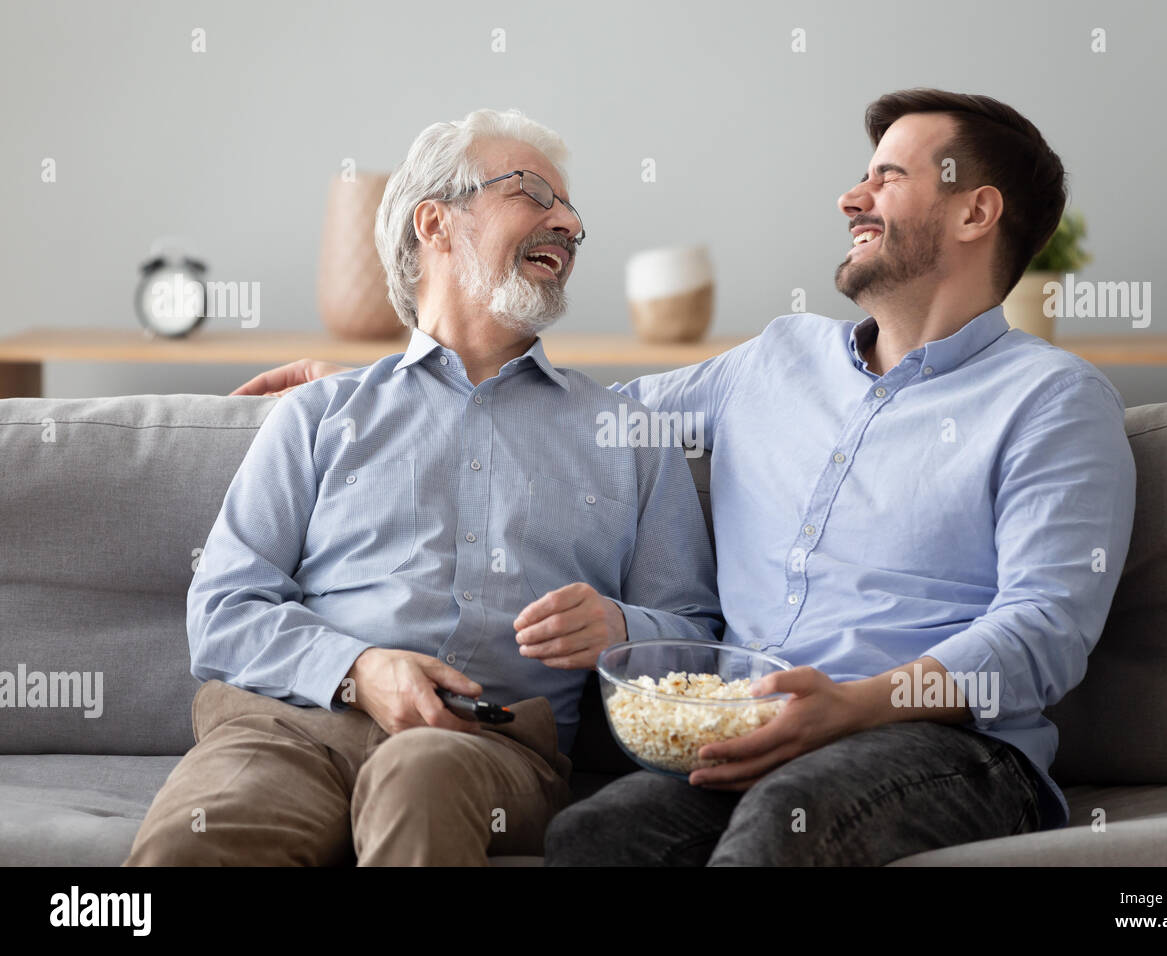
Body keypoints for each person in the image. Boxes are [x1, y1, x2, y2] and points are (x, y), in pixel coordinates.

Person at [233, 89, 1137, 866]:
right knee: (595, 838)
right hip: (745, 739)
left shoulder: (1053, 401)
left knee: (788, 829)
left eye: (888, 177)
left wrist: (854, 707)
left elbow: (1046, 631)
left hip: (947, 747)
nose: (851, 195)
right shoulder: (774, 362)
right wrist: (388, 388)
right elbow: (575, 413)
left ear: (976, 212)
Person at [125, 108, 722, 867]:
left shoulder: (632, 436)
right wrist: (358, 668)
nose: (568, 223)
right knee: (193, 844)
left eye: (572, 212)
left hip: (485, 744)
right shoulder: (319, 415)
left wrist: (623, 629)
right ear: (435, 223)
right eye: (534, 194)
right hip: (288, 725)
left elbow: (700, 643)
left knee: (422, 775)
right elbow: (221, 611)